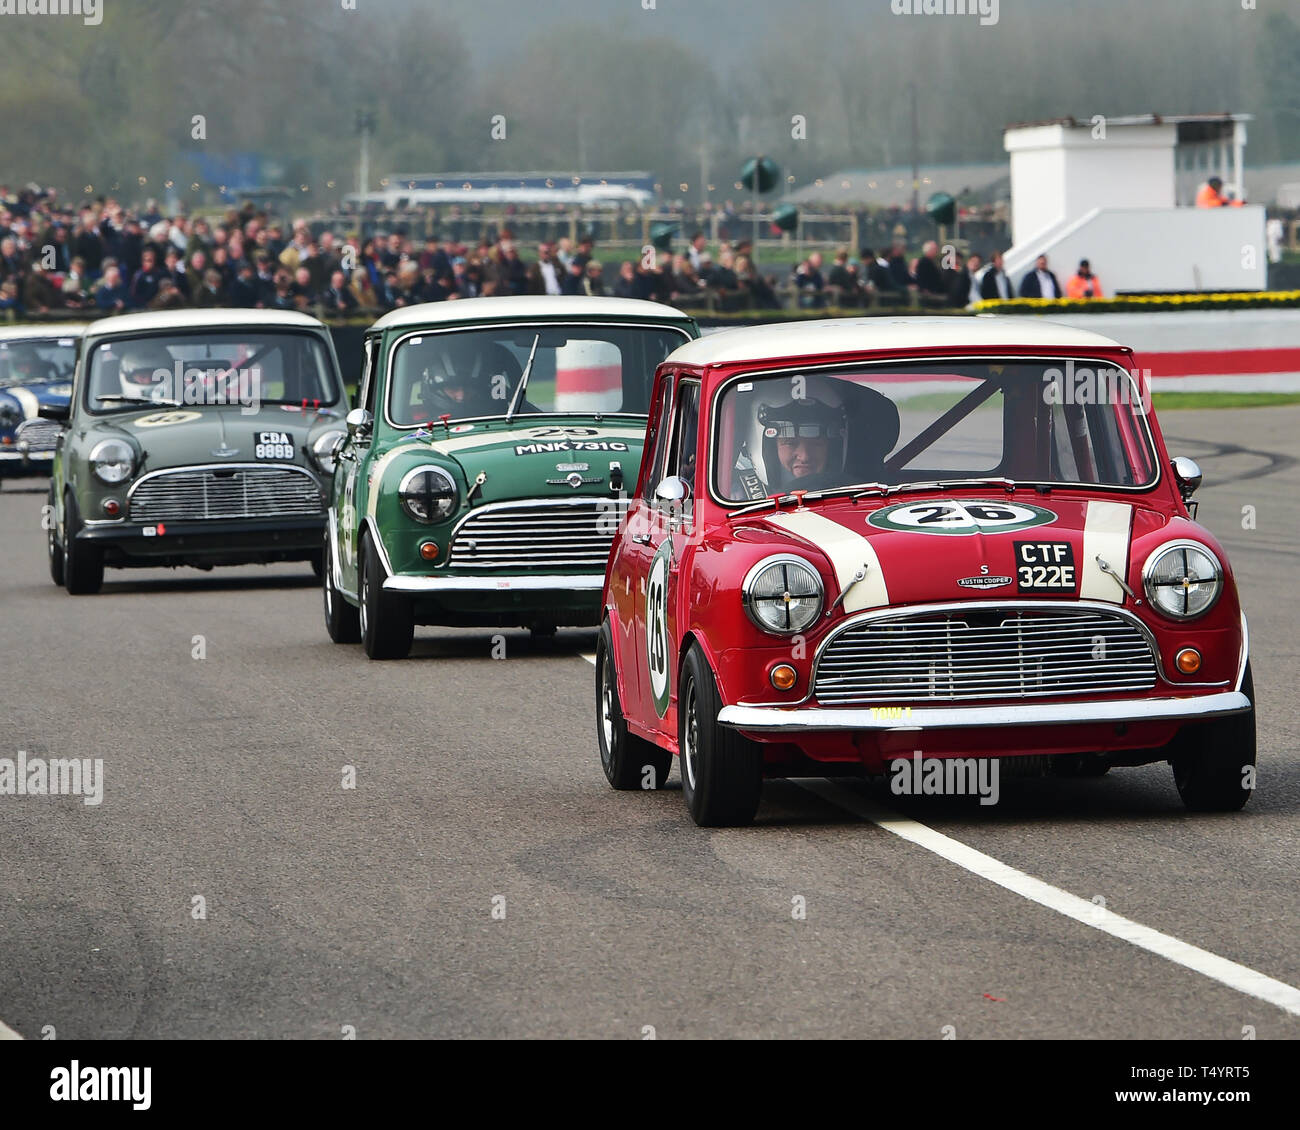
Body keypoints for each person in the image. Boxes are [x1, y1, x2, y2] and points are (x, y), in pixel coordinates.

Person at [732, 379, 850, 498]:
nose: (804, 456)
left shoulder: (855, 494)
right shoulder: (736, 498)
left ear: (832, 447)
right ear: (770, 447)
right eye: (790, 443)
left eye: (816, 443)